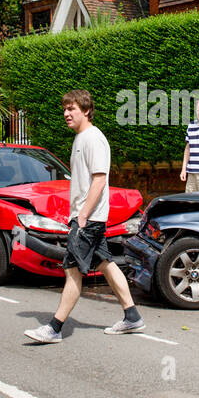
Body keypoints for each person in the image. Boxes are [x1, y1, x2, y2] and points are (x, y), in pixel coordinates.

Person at [25, 90, 144, 344]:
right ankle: (132, 316)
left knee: (71, 270)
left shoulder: (92, 139)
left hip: (87, 220)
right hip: (89, 218)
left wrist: (83, 216)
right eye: (65, 109)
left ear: (87, 111)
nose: (67, 114)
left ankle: (54, 328)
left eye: (72, 109)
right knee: (105, 264)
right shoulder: (81, 138)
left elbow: (99, 180)